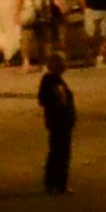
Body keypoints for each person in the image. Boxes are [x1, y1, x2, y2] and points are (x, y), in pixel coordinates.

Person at [35, 59, 79, 192]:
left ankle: (54, 182)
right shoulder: (52, 80)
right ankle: (57, 183)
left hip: (59, 121)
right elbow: (46, 100)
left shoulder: (55, 80)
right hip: (58, 121)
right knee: (60, 153)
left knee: (58, 152)